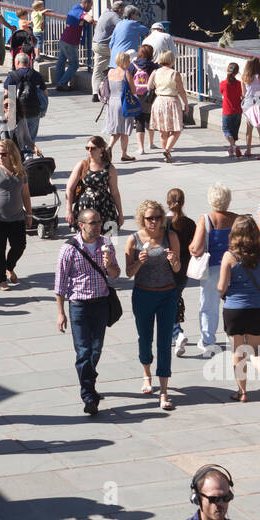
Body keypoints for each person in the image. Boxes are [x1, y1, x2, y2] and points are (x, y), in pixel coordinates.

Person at [55, 207, 120, 416]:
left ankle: (89, 382)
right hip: (79, 306)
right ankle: (89, 395)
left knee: (96, 349)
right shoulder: (69, 249)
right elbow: (60, 283)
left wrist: (109, 265)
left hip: (100, 303)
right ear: (81, 225)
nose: (98, 226)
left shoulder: (107, 244)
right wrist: (60, 312)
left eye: (99, 221)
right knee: (83, 351)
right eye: (93, 222)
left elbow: (116, 274)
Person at [126, 199, 182, 410]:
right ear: (142, 219)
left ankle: (164, 391)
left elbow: (178, 270)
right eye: (150, 218)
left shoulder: (171, 237)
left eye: (158, 218)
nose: (155, 222)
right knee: (145, 338)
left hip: (167, 294)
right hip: (143, 295)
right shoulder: (134, 240)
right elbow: (128, 272)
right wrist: (139, 261)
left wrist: (174, 261)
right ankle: (146, 373)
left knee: (165, 342)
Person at [217, 216, 260, 405]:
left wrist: (224, 292)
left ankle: (242, 392)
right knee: (256, 349)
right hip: (257, 307)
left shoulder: (230, 256)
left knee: (238, 351)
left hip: (234, 309)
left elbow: (221, 286)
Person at [189, 183, 238, 357]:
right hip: (235, 267)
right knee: (235, 302)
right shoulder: (237, 219)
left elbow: (196, 248)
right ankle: (238, 337)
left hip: (213, 268)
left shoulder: (206, 219)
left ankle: (208, 340)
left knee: (209, 305)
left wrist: (190, 249)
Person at [0, 138, 32, 290]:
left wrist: (29, 214)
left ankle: (9, 267)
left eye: (3, 154)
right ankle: (1, 279)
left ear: (12, 154)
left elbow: (26, 194)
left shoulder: (20, 171)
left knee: (19, 246)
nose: (0, 156)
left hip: (17, 217)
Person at [65, 135, 123, 232]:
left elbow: (115, 192)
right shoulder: (82, 165)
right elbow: (69, 188)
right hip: (85, 206)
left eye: (93, 148)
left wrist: (120, 214)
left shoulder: (109, 168)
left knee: (107, 240)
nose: (89, 151)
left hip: (105, 206)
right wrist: (69, 210)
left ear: (101, 149)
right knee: (85, 238)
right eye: (87, 148)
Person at [166, 187, 196, 357]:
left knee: (168, 302)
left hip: (166, 268)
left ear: (167, 202)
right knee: (174, 298)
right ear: (183, 202)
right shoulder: (190, 223)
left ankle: (177, 333)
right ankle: (174, 334)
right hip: (184, 269)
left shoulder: (163, 223)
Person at [146, 51, 189, 162]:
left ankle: (166, 152)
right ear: (172, 60)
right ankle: (167, 150)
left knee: (163, 130)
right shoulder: (174, 73)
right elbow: (181, 91)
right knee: (176, 129)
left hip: (159, 101)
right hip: (172, 101)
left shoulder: (155, 72)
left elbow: (149, 86)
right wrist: (186, 104)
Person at [3, 52, 47, 144]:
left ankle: (18, 157)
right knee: (30, 141)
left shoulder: (12, 76)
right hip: (34, 111)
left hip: (17, 113)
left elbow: (7, 95)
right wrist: (42, 111)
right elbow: (44, 93)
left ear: (18, 62)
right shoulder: (36, 75)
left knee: (16, 141)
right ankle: (28, 156)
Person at [53, 0, 95, 92]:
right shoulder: (78, 11)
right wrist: (91, 19)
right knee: (75, 64)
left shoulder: (74, 8)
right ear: (86, 4)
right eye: (90, 6)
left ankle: (58, 83)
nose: (91, 8)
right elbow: (88, 18)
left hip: (65, 39)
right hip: (70, 42)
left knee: (61, 62)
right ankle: (62, 83)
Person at [101, 50, 136, 160]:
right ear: (125, 61)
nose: (130, 62)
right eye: (129, 60)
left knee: (116, 128)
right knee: (124, 130)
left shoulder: (110, 72)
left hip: (112, 102)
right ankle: (124, 154)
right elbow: (133, 89)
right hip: (123, 102)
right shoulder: (126, 73)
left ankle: (110, 147)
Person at [91, 1, 125, 99]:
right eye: (122, 11)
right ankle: (118, 88)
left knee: (98, 69)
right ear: (120, 10)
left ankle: (95, 93)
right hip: (105, 45)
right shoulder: (115, 16)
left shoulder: (105, 13)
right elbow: (123, 26)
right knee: (121, 62)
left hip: (96, 44)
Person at [128, 44, 158, 155]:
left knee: (139, 120)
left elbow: (128, 79)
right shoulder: (154, 66)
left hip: (136, 96)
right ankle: (151, 143)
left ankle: (141, 148)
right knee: (149, 119)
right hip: (150, 95)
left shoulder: (133, 66)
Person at [0, 89, 38, 157]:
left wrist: (35, 148)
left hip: (18, 155)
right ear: (2, 107)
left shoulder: (22, 121)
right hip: (3, 156)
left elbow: (27, 139)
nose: (9, 107)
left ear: (16, 107)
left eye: (11, 105)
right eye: (6, 105)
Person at [240, 56, 260, 159]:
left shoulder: (244, 78)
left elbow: (243, 94)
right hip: (259, 103)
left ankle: (248, 150)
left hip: (249, 104)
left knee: (249, 129)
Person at [220, 62, 243, 159]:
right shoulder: (239, 84)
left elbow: (222, 92)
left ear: (227, 70)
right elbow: (242, 95)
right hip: (238, 110)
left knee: (226, 130)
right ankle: (231, 149)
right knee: (234, 131)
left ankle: (233, 146)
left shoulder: (223, 84)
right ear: (237, 72)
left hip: (227, 111)